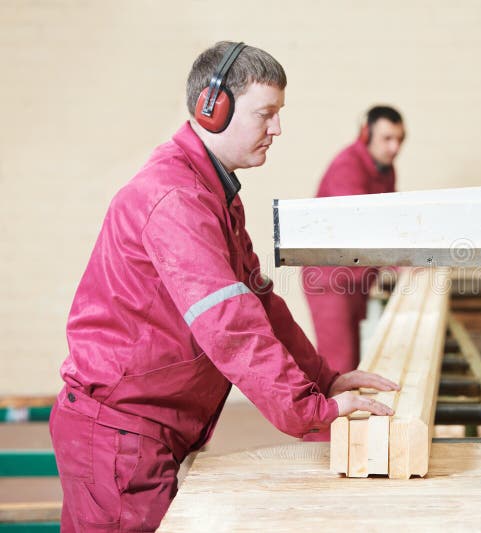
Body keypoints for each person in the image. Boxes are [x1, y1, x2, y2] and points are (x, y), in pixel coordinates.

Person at [50, 41, 398, 532]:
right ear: (212, 110)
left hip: (154, 426)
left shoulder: (214, 192)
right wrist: (307, 410)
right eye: (266, 114)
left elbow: (259, 303)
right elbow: (229, 325)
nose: (277, 129)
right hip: (119, 433)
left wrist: (324, 378)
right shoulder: (177, 198)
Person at [302, 106, 405, 376]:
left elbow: (389, 221)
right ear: (365, 134)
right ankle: (324, 420)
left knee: (354, 363)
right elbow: (360, 225)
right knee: (339, 366)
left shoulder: (386, 170)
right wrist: (398, 265)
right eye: (387, 138)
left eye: (399, 139)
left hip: (358, 277)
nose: (395, 147)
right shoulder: (347, 167)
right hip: (330, 279)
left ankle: (336, 418)